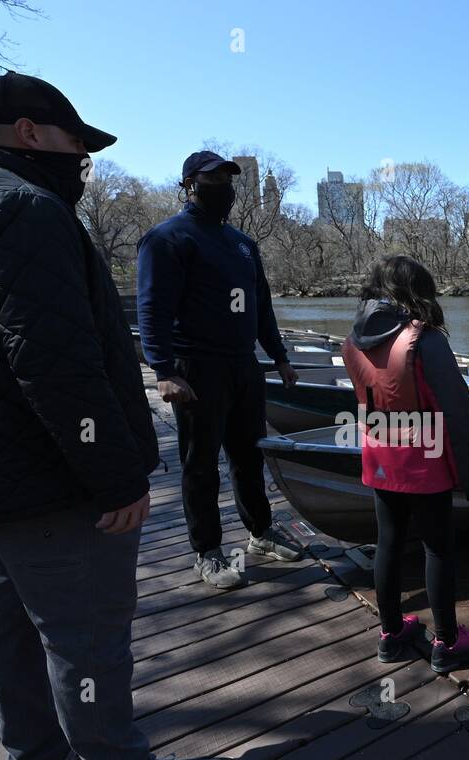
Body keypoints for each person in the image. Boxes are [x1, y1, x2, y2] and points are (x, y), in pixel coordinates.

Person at [0, 72, 224, 760]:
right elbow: (53, 359)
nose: (85, 163)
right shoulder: (22, 207)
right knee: (88, 635)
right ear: (32, 133)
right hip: (49, 480)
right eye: (80, 145)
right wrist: (113, 474)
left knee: (6, 631)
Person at [137, 150, 304, 589]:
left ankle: (260, 532)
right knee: (200, 462)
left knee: (250, 455)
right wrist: (163, 369)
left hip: (243, 365)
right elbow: (151, 309)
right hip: (196, 367)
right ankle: (207, 551)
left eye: (229, 181)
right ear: (189, 185)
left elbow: (261, 305)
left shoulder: (243, 244)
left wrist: (280, 356)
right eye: (213, 181)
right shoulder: (167, 239)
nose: (224, 189)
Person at [342, 255, 469, 674]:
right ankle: (447, 642)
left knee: (387, 541)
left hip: (379, 451)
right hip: (423, 456)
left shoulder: (353, 340)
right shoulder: (425, 340)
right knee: (438, 547)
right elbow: (458, 410)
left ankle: (390, 635)